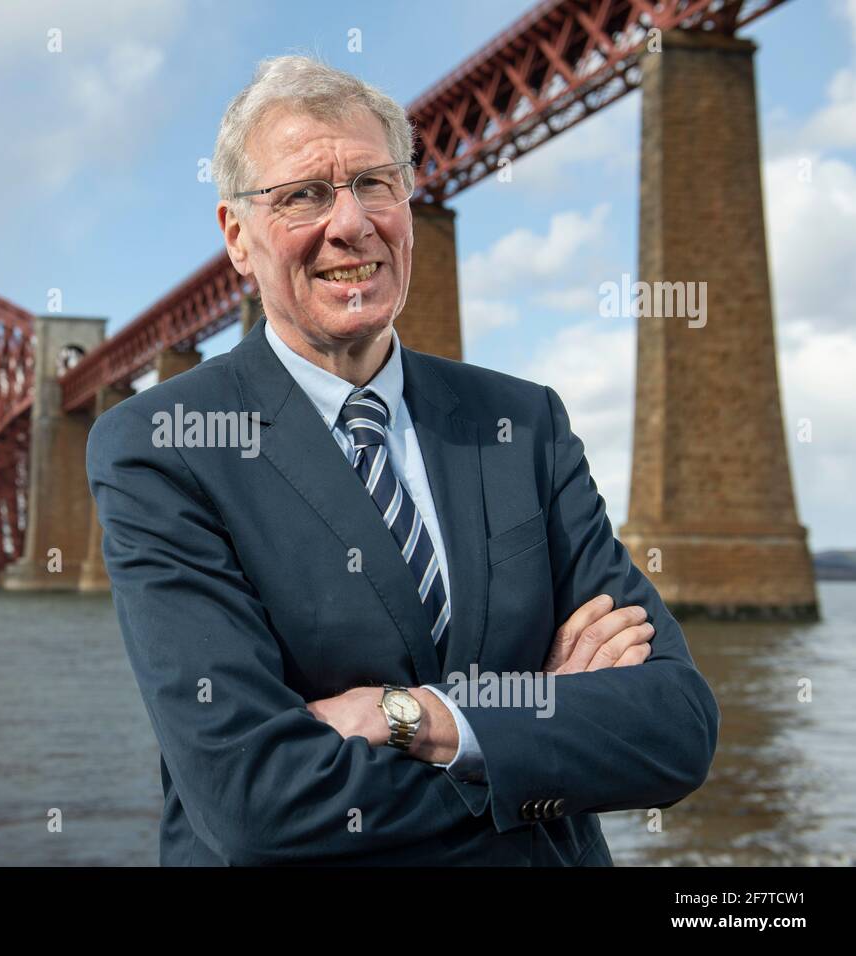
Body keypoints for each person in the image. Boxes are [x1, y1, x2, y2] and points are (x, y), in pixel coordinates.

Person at [85, 54, 719, 866]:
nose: (351, 224)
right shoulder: (160, 445)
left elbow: (676, 727)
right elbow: (259, 803)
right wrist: (542, 725)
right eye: (305, 195)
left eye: (375, 185)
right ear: (237, 238)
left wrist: (419, 719)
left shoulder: (523, 422)